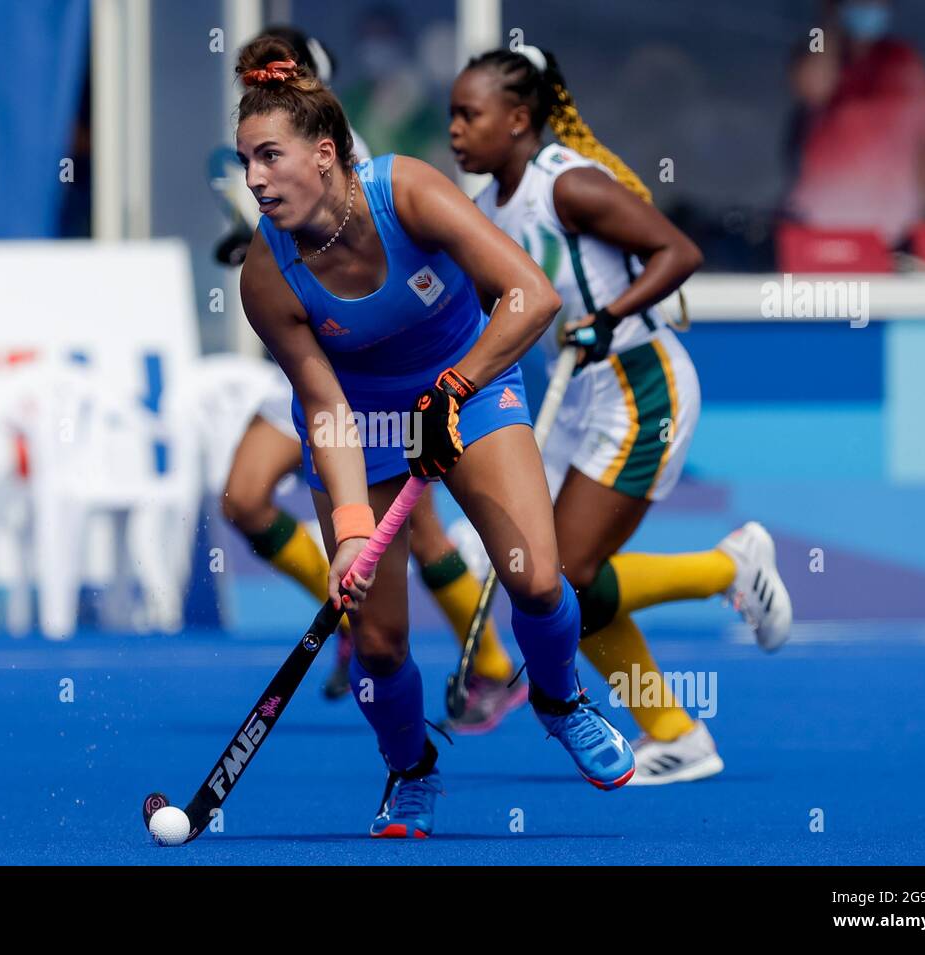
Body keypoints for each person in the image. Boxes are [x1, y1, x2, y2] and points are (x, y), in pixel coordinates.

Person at [234, 34, 635, 838]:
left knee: (537, 579)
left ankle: (559, 697)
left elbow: (528, 295)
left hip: (471, 384)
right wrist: (350, 534)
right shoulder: (266, 276)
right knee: (378, 646)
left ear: (323, 154)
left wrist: (453, 389)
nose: (253, 180)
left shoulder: (407, 192)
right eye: (247, 161)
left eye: (269, 157)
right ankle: (410, 767)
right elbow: (324, 407)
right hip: (362, 422)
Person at [450, 45, 793, 784]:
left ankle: (726, 568)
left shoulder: (568, 187)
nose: (454, 130)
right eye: (452, 114)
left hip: (643, 386)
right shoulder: (480, 212)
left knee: (563, 579)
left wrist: (608, 314)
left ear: (517, 121)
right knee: (559, 582)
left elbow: (679, 251)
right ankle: (677, 734)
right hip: (575, 396)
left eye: (467, 115)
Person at [218, 26, 525, 731]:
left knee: (420, 529)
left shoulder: (333, 148)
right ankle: (352, 612)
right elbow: (282, 248)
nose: (257, 171)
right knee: (244, 497)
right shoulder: (266, 160)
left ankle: (491, 659)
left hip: (399, 357)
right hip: (322, 353)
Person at [785, 0, 925, 246]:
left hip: (896, 227)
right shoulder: (821, 50)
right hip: (823, 225)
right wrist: (830, 23)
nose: (870, 7)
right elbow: (813, 85)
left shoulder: (906, 59)